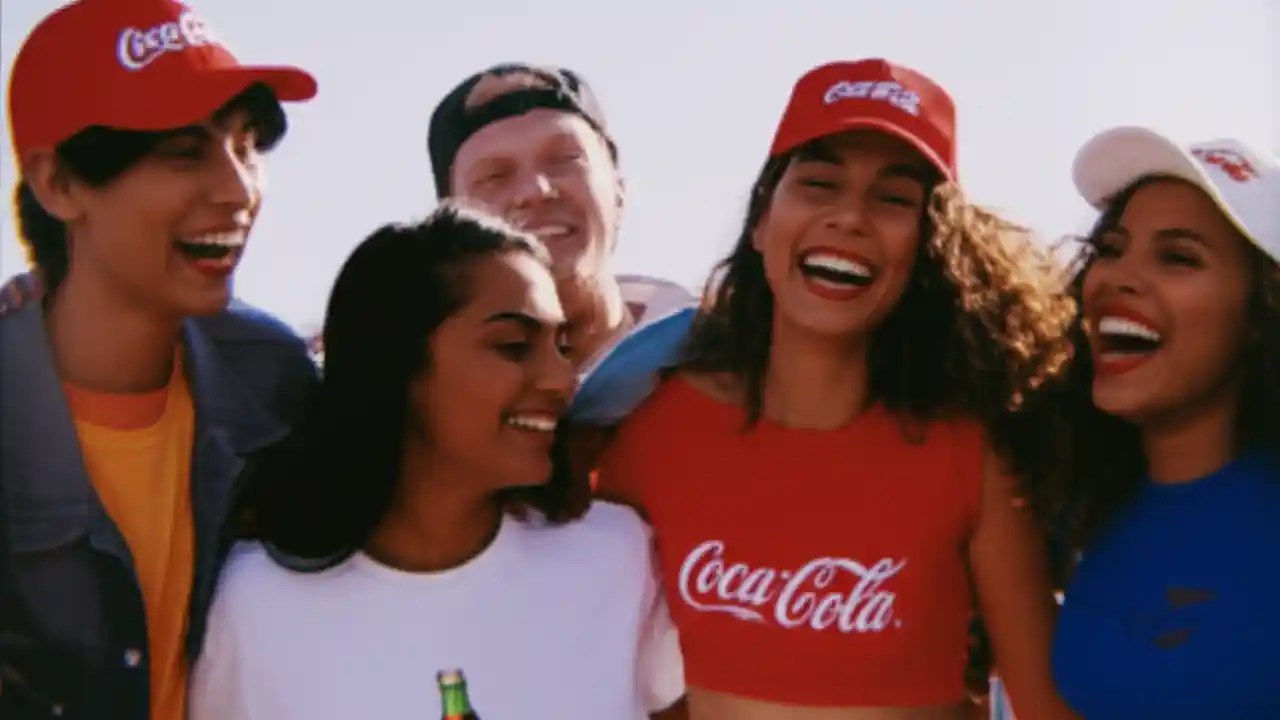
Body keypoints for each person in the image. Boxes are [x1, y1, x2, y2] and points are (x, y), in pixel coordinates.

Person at [594, 58, 1080, 720]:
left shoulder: (973, 451)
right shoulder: (651, 429)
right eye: (819, 184)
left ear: (933, 248)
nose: (849, 218)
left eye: (893, 199)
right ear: (762, 222)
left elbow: (1047, 707)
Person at [188, 204, 685, 720]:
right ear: (396, 367)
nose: (561, 379)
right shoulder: (258, 602)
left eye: (560, 346)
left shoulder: (616, 557)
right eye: (514, 346)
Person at [0, 0, 318, 718]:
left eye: (246, 147)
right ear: (59, 185)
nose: (238, 191)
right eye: (184, 152)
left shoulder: (276, 381)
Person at [1049, 127, 1280, 717]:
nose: (1118, 278)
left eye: (1178, 257)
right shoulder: (1075, 504)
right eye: (1111, 249)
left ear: (1259, 316)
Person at [426, 62, 696, 426]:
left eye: (565, 160)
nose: (535, 191)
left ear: (618, 188)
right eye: (494, 177)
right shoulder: (425, 425)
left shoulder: (729, 361)